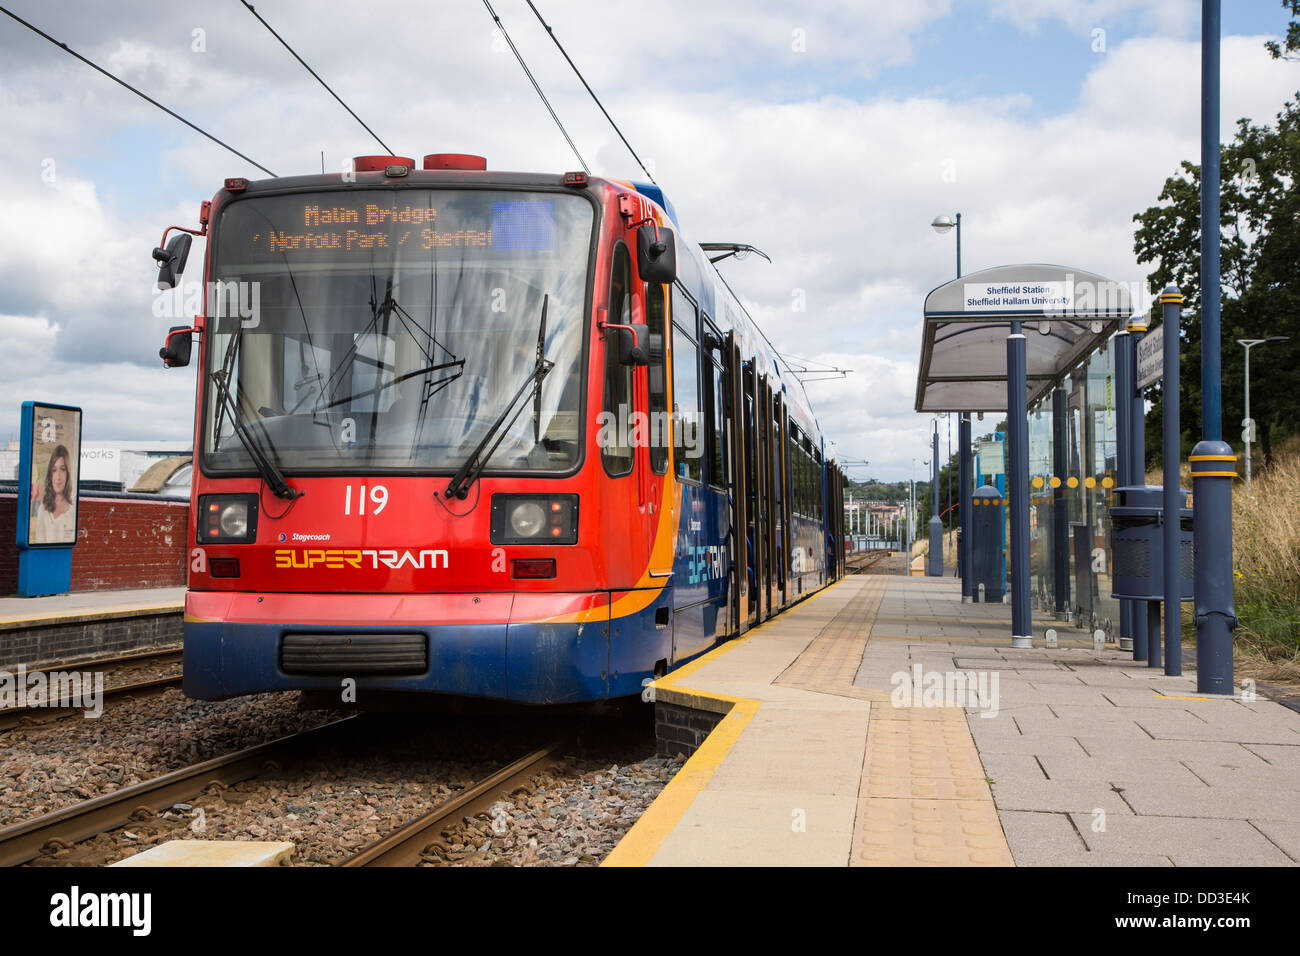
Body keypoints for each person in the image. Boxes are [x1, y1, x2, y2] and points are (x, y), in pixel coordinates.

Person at [32, 444, 76, 544]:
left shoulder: (73, 512)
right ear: (50, 475)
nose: (58, 477)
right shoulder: (43, 510)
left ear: (68, 474)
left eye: (63, 469)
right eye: (54, 470)